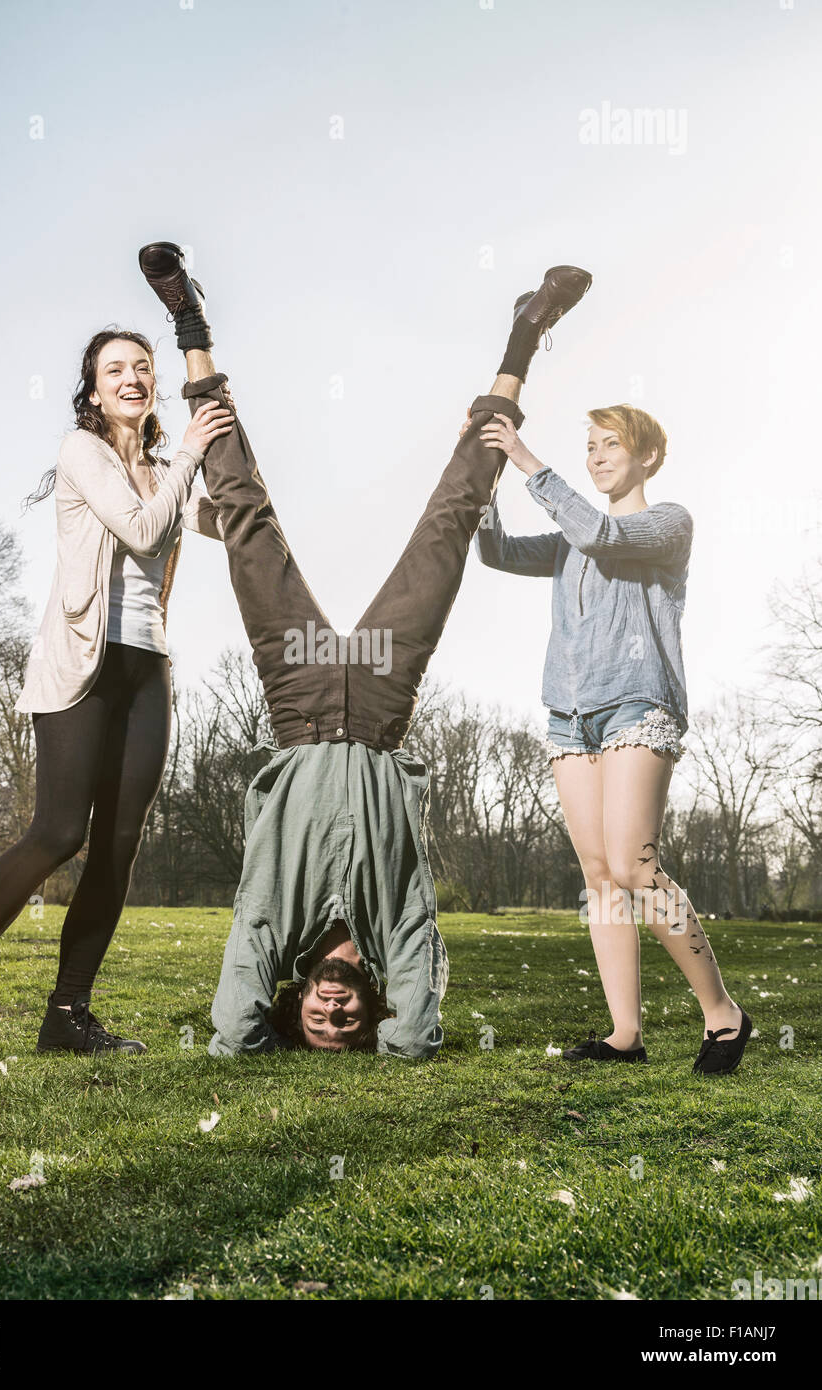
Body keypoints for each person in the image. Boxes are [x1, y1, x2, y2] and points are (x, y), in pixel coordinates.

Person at [138, 242, 592, 1056]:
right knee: (450, 522)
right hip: (382, 701)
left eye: (314, 1022)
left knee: (243, 516)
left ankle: (187, 322)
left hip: (300, 700)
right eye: (345, 1026)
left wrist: (267, 1036)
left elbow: (234, 1037)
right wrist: (390, 1032)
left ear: (295, 1003)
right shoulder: (398, 933)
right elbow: (415, 1039)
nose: (331, 1015)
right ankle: (525, 336)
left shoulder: (272, 927)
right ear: (370, 1010)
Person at [0, 329, 231, 1065]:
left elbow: (224, 522)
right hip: (81, 664)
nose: (132, 376)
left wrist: (229, 475)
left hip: (149, 668)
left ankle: (67, 1015)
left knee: (118, 850)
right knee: (58, 833)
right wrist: (190, 456)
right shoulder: (83, 453)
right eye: (116, 368)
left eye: (144, 366)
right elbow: (144, 531)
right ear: (93, 389)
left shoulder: (159, 467)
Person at [475, 402, 752, 1076]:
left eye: (611, 445)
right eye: (590, 446)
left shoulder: (665, 523)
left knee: (634, 866)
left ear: (646, 457)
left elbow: (600, 533)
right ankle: (624, 1034)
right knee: (601, 877)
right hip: (569, 714)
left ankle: (723, 1014)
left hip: (637, 701)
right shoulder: (571, 537)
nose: (596, 457)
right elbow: (497, 552)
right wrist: (479, 479)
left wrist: (523, 459)